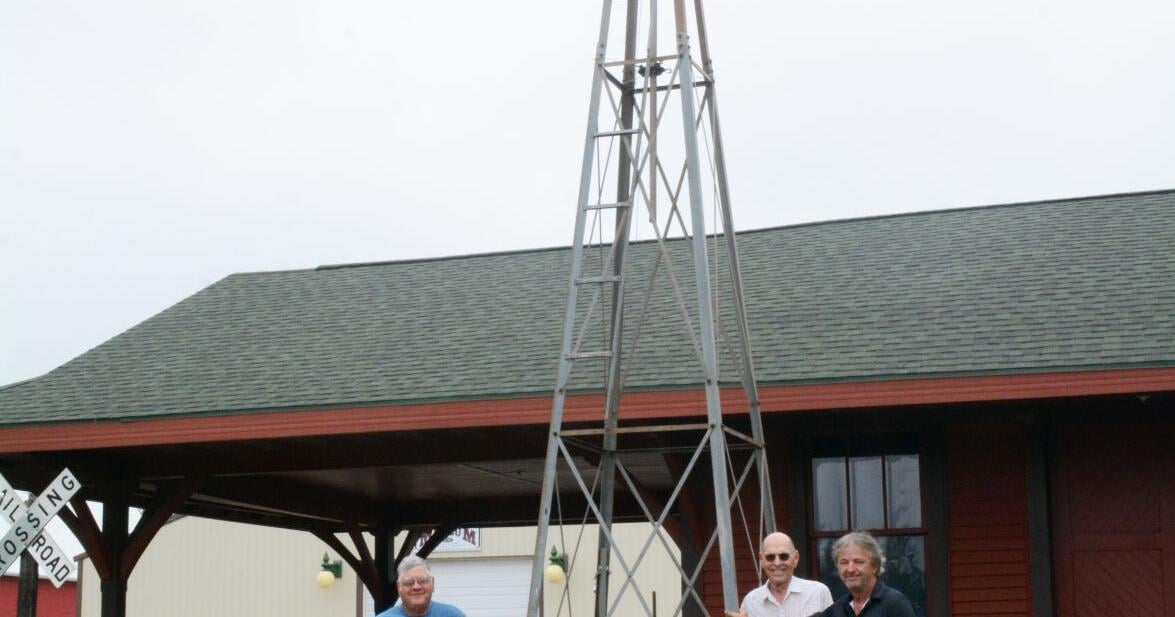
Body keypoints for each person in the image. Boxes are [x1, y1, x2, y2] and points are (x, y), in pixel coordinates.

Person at [726, 531, 833, 617]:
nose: (777, 563)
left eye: (784, 556)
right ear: (761, 560)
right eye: (770, 557)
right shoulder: (751, 601)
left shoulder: (818, 593)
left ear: (796, 558)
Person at [818, 531, 915, 617]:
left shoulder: (895, 605)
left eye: (858, 562)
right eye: (844, 562)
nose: (850, 569)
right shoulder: (837, 610)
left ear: (875, 566)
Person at [376, 555, 467, 617]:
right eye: (409, 582)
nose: (416, 587)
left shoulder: (453, 615)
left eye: (422, 581)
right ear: (398, 587)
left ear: (432, 583)